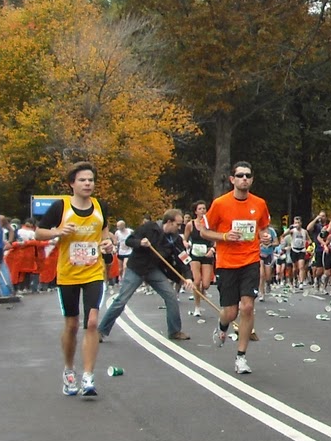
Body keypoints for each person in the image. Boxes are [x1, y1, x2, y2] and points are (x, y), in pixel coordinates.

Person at [34, 162, 115, 396]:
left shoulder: (101, 206)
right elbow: (39, 232)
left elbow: (104, 232)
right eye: (82, 180)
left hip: (93, 272)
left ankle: (88, 376)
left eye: (90, 180)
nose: (88, 183)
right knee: (71, 325)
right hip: (68, 273)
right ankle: (69, 370)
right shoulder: (61, 207)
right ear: (72, 184)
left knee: (91, 323)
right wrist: (57, 232)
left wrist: (107, 244)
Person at [200, 161, 272, 374]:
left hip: (250, 261)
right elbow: (204, 232)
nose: (244, 179)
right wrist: (224, 236)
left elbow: (263, 228)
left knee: (248, 307)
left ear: (252, 179)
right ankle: (222, 326)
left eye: (247, 175)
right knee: (230, 313)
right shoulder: (220, 204)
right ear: (232, 179)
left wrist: (264, 237)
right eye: (239, 175)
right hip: (227, 263)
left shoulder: (259, 204)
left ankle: (241, 357)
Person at [98, 209, 194, 341]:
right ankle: (101, 331)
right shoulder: (150, 228)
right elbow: (129, 241)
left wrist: (188, 277)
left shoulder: (175, 239)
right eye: (178, 224)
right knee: (121, 300)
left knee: (171, 296)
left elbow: (184, 258)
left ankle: (174, 331)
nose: (179, 227)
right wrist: (140, 243)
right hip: (137, 268)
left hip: (153, 270)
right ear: (169, 222)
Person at [184, 201, 214, 316]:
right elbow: (184, 239)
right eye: (200, 209)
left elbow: (216, 239)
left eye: (204, 208)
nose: (202, 211)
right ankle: (197, 307)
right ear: (195, 211)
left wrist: (212, 250)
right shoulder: (190, 225)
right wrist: (186, 243)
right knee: (196, 281)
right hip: (194, 255)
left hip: (206, 254)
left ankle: (202, 292)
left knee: (205, 284)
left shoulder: (209, 224)